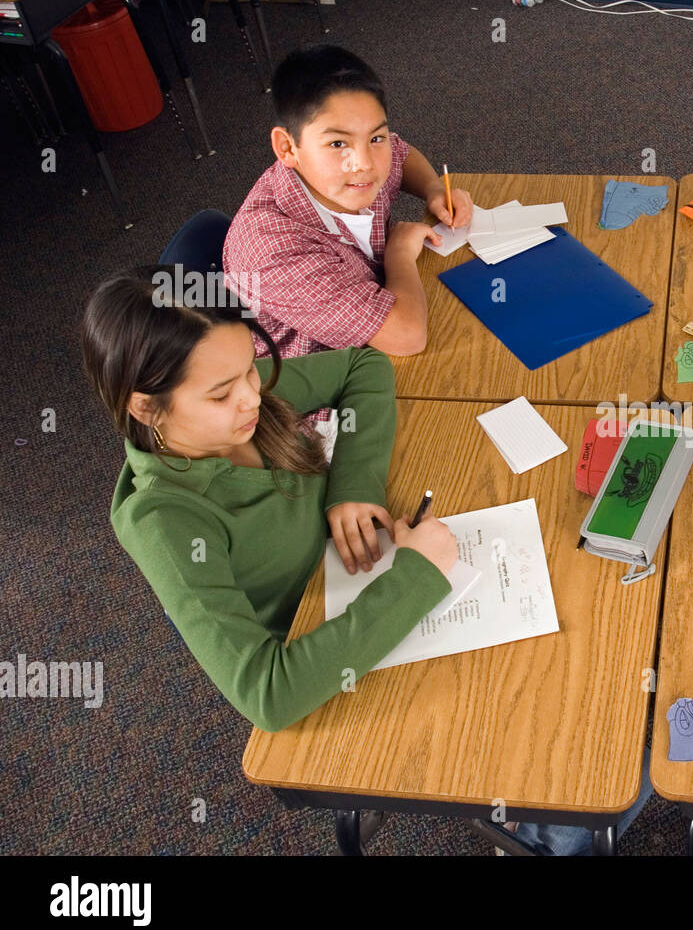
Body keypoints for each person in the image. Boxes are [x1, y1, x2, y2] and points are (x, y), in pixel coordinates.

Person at [85, 265, 458, 733]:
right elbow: (270, 698)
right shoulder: (163, 522)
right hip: (324, 643)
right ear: (146, 407)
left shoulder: (231, 383)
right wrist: (417, 578)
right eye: (221, 395)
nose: (252, 398)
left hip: (357, 576)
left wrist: (353, 488)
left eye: (250, 371)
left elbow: (364, 366)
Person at [223, 45, 473, 361]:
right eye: (338, 143)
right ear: (287, 147)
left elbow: (399, 152)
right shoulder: (272, 252)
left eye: (374, 138)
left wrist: (434, 189)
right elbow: (408, 336)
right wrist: (399, 254)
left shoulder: (344, 176)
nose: (364, 163)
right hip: (315, 379)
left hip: (377, 311)